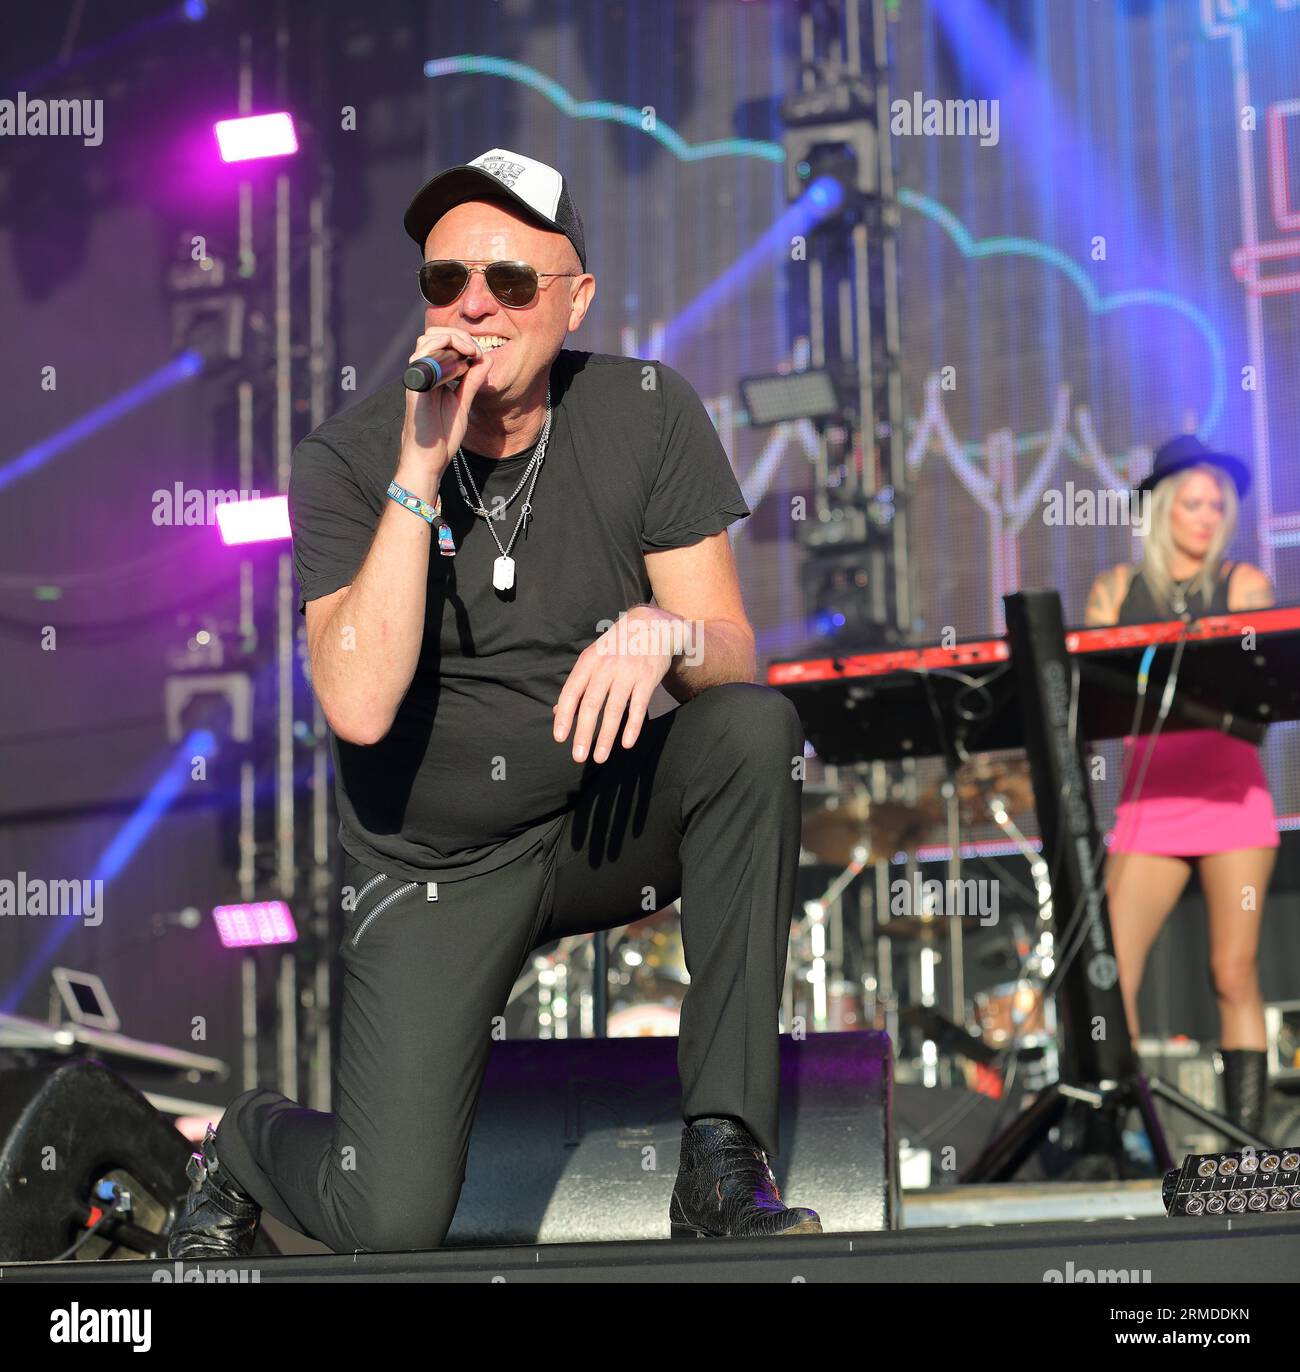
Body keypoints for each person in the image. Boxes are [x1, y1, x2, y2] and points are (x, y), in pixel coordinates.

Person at [167, 148, 821, 1256]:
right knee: (390, 1218)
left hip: (592, 823)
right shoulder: (345, 457)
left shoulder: (645, 411)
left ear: (575, 299)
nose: (474, 305)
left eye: (511, 283)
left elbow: (734, 659)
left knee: (751, 732)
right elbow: (358, 704)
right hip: (431, 867)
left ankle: (719, 1159)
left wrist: (669, 632)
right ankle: (243, 1140)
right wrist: (417, 474)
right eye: (445, 281)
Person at [1084, 434, 1277, 1140]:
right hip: (1151, 806)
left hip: (1231, 802)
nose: (1204, 516)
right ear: (1163, 509)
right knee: (1114, 978)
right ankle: (1130, 1137)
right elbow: (1091, 697)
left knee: (1233, 971)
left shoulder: (1244, 583)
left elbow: (1257, 691)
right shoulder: (1114, 590)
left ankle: (1247, 1144)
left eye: (1215, 505)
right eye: (1191, 503)